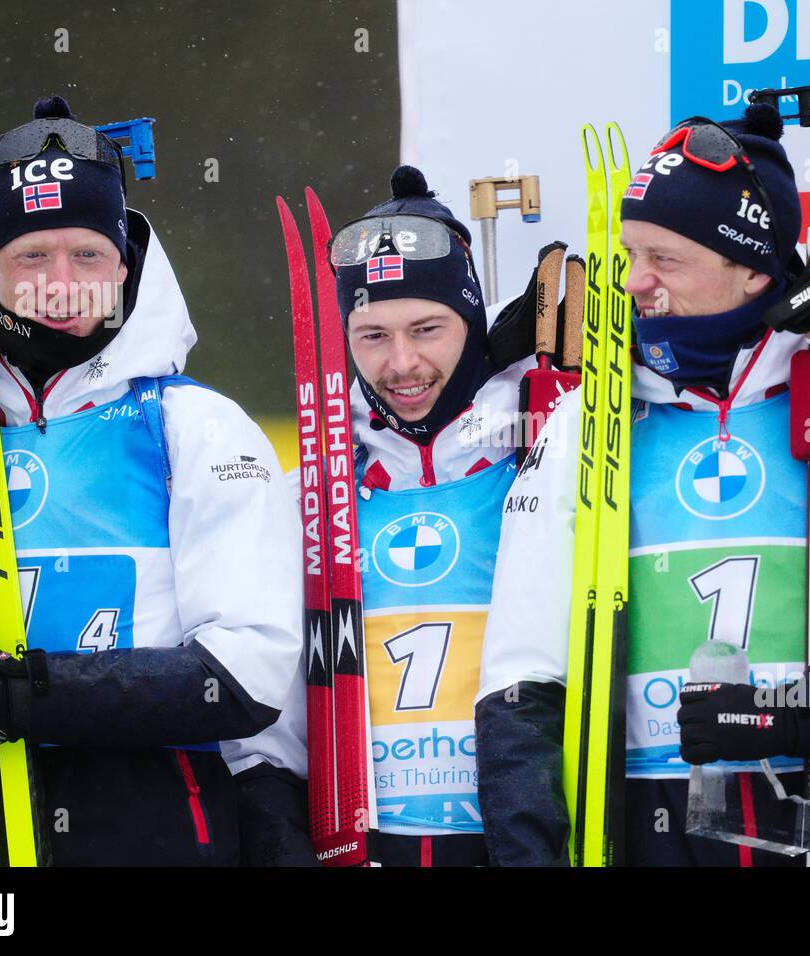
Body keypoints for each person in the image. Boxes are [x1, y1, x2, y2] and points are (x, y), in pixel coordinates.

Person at [0, 96, 311, 866]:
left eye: (87, 255)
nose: (60, 284)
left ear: (126, 263)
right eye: (31, 257)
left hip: (158, 830)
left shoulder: (196, 427)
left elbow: (244, 675)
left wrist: (22, 696)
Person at [475, 103, 810, 866]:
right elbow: (523, 676)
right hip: (648, 828)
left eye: (666, 259)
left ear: (752, 266)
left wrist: (797, 717)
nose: (634, 283)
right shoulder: (589, 419)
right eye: (629, 255)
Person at [309, 165, 534, 865]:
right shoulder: (315, 490)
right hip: (374, 842)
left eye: (427, 329)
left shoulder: (542, 456)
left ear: (472, 321)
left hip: (517, 835)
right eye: (371, 335)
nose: (402, 364)